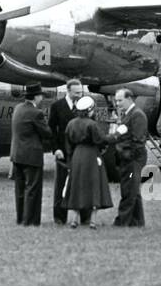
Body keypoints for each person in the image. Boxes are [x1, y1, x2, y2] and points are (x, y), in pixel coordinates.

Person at [63, 95, 113, 228]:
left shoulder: (71, 123)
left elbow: (68, 145)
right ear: (90, 110)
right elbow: (101, 140)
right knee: (94, 187)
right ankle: (92, 221)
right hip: (91, 155)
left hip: (77, 156)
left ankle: (74, 219)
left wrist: (70, 160)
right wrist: (115, 136)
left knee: (76, 187)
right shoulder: (92, 124)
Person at [10, 83, 54, 226]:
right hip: (31, 155)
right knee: (33, 189)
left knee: (20, 189)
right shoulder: (36, 113)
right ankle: (31, 220)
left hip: (17, 154)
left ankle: (21, 218)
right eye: (40, 95)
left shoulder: (18, 108)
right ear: (36, 97)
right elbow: (47, 133)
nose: (41, 98)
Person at [109, 87, 149, 227]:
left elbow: (138, 140)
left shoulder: (137, 115)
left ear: (129, 99)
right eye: (116, 100)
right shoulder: (128, 114)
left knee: (129, 189)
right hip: (129, 158)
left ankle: (122, 221)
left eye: (120, 100)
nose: (117, 103)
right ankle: (138, 221)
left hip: (133, 160)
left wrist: (128, 156)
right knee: (133, 190)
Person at [49, 79, 84, 224]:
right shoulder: (57, 106)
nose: (79, 95)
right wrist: (56, 149)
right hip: (63, 151)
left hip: (80, 151)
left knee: (82, 184)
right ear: (68, 91)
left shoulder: (84, 105)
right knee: (61, 185)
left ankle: (85, 216)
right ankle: (59, 217)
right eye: (76, 92)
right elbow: (51, 129)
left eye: (81, 92)